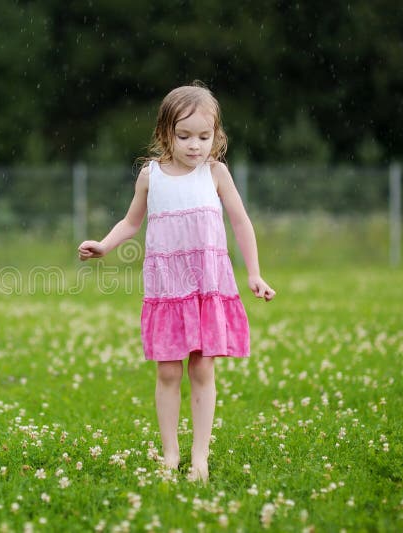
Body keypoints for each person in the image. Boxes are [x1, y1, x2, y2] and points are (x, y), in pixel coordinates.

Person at [77, 81, 275, 483]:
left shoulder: (215, 173)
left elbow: (240, 221)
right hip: (168, 290)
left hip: (207, 288)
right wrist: (105, 244)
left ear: (216, 136)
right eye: (183, 136)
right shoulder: (151, 177)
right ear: (164, 134)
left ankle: (199, 457)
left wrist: (253, 273)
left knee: (203, 370)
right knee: (168, 373)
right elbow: (132, 222)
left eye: (204, 136)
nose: (194, 145)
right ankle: (170, 455)